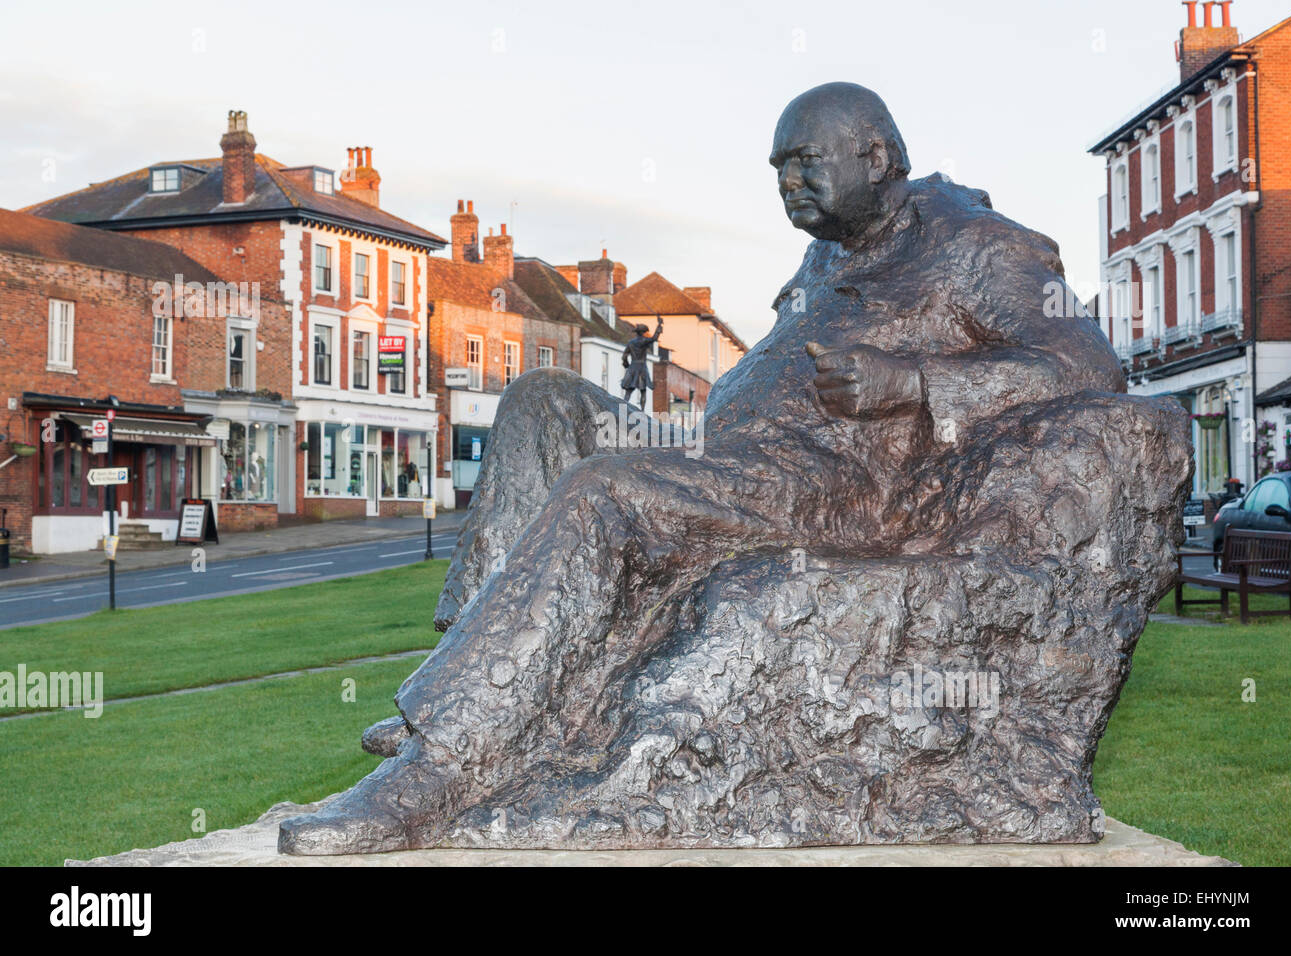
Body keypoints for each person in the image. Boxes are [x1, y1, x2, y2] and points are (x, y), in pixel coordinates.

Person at [279, 82, 1124, 854]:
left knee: (605, 489)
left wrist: (912, 381)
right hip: (731, 460)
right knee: (544, 404)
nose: (789, 183)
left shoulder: (977, 246)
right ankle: (485, 680)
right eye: (778, 169)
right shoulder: (828, 251)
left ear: (876, 158)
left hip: (828, 489)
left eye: (805, 163)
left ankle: (437, 770)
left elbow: (1086, 368)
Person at [620, 316, 663, 409]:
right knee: (643, 390)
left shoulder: (631, 342)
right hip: (641, 367)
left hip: (632, 367)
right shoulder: (644, 341)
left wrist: (626, 363)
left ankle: (623, 408)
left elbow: (624, 356)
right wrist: (659, 326)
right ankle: (642, 410)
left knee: (629, 390)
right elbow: (654, 338)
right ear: (643, 332)